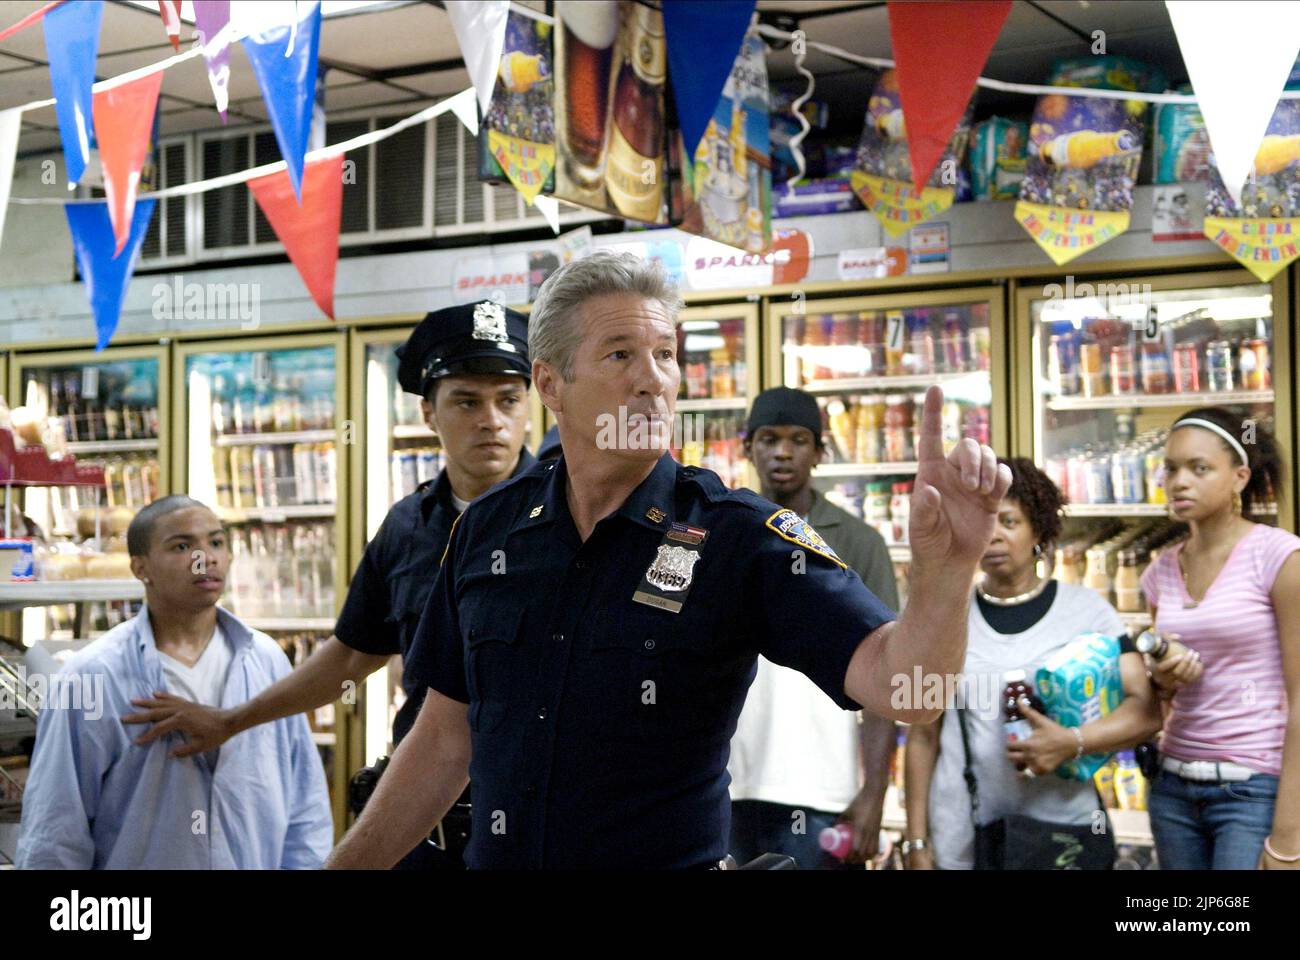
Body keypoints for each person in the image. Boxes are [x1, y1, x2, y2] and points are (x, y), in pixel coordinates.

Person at [325, 250, 1012, 870]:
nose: (653, 379)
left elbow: (905, 691)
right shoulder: (488, 532)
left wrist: (946, 576)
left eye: (665, 354)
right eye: (621, 354)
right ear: (551, 383)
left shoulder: (739, 535)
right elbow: (445, 738)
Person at [120, 302, 535, 870]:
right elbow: (350, 656)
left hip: (535, 821)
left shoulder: (570, 516)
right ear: (428, 412)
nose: (491, 419)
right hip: (422, 826)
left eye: (509, 399)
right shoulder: (408, 526)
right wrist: (230, 721)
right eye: (467, 400)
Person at [16, 497, 332, 869]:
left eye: (216, 543)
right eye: (182, 546)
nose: (206, 558)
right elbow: (56, 829)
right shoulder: (92, 677)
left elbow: (304, 805)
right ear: (140, 567)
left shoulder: (265, 661)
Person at [904, 458, 1162, 870]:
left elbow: (1144, 710)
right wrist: (916, 842)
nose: (994, 536)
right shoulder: (943, 617)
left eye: (1009, 521)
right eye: (983, 524)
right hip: (963, 834)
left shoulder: (1087, 612)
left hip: (1061, 834)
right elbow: (921, 736)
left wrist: (1073, 741)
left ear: (1038, 530)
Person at [727, 386, 901, 868]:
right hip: (729, 787)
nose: (782, 451)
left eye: (799, 440)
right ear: (748, 447)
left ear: (820, 452)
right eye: (768, 438)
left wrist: (873, 794)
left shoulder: (858, 542)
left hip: (824, 793)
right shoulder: (726, 530)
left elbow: (886, 677)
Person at [1141, 409, 1300, 870]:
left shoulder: (1278, 557)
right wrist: (1163, 679)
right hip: (1172, 789)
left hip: (1253, 788)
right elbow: (1161, 699)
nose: (1179, 481)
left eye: (1199, 468)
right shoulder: (1160, 572)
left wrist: (1289, 838)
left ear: (1239, 477)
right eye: (1171, 468)